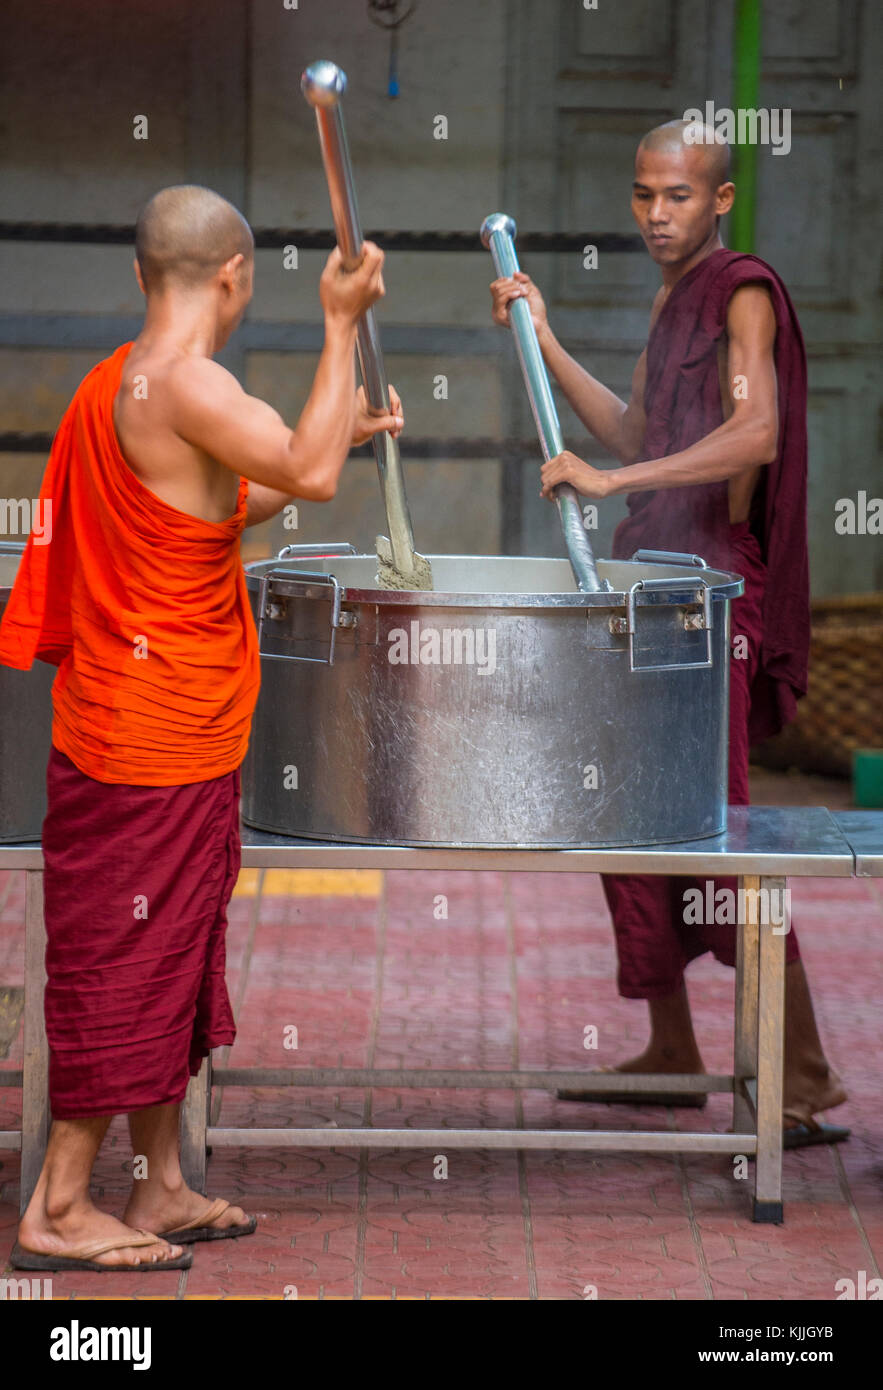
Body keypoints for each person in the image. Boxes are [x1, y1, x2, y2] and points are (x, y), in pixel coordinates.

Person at [1, 184, 404, 1272]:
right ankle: (59, 1203)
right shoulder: (189, 383)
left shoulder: (114, 383)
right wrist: (338, 325)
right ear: (235, 279)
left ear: (140, 275)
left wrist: (333, 415)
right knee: (130, 960)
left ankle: (163, 1182)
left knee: (171, 954)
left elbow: (227, 495)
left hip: (145, 728)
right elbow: (310, 472)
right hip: (150, 742)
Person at [489, 121, 848, 1147]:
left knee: (717, 832)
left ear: (721, 200)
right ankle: (673, 1051)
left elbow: (754, 432)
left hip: (708, 600)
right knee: (631, 828)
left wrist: (614, 486)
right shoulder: (664, 297)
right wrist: (545, 339)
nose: (656, 214)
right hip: (651, 584)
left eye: (679, 196)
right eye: (644, 193)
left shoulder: (743, 290)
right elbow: (641, 434)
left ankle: (805, 1074)